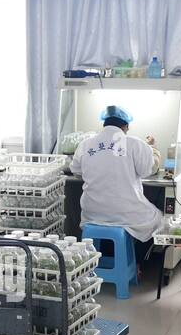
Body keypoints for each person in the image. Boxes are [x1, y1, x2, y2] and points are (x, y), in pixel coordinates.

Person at [70, 105, 167, 261]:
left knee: (124, 220)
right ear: (126, 126)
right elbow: (149, 169)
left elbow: (75, 169)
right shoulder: (135, 143)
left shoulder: (86, 144)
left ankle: (107, 257)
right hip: (125, 211)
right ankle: (137, 262)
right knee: (160, 221)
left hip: (92, 212)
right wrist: (153, 148)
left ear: (104, 124)